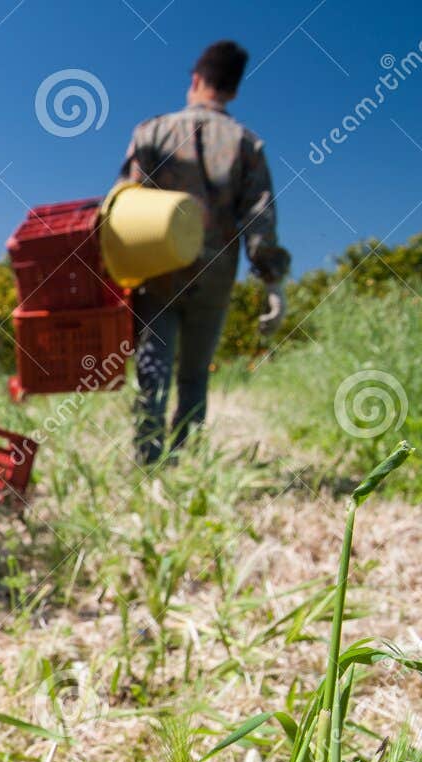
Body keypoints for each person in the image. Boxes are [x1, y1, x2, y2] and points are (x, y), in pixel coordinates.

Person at [119, 40, 291, 463]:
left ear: (196, 79)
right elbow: (259, 219)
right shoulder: (247, 145)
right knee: (195, 374)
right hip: (215, 272)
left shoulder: (152, 132)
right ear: (232, 91)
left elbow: (124, 205)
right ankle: (185, 459)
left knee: (153, 367)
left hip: (158, 269)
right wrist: (273, 283)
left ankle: (148, 458)